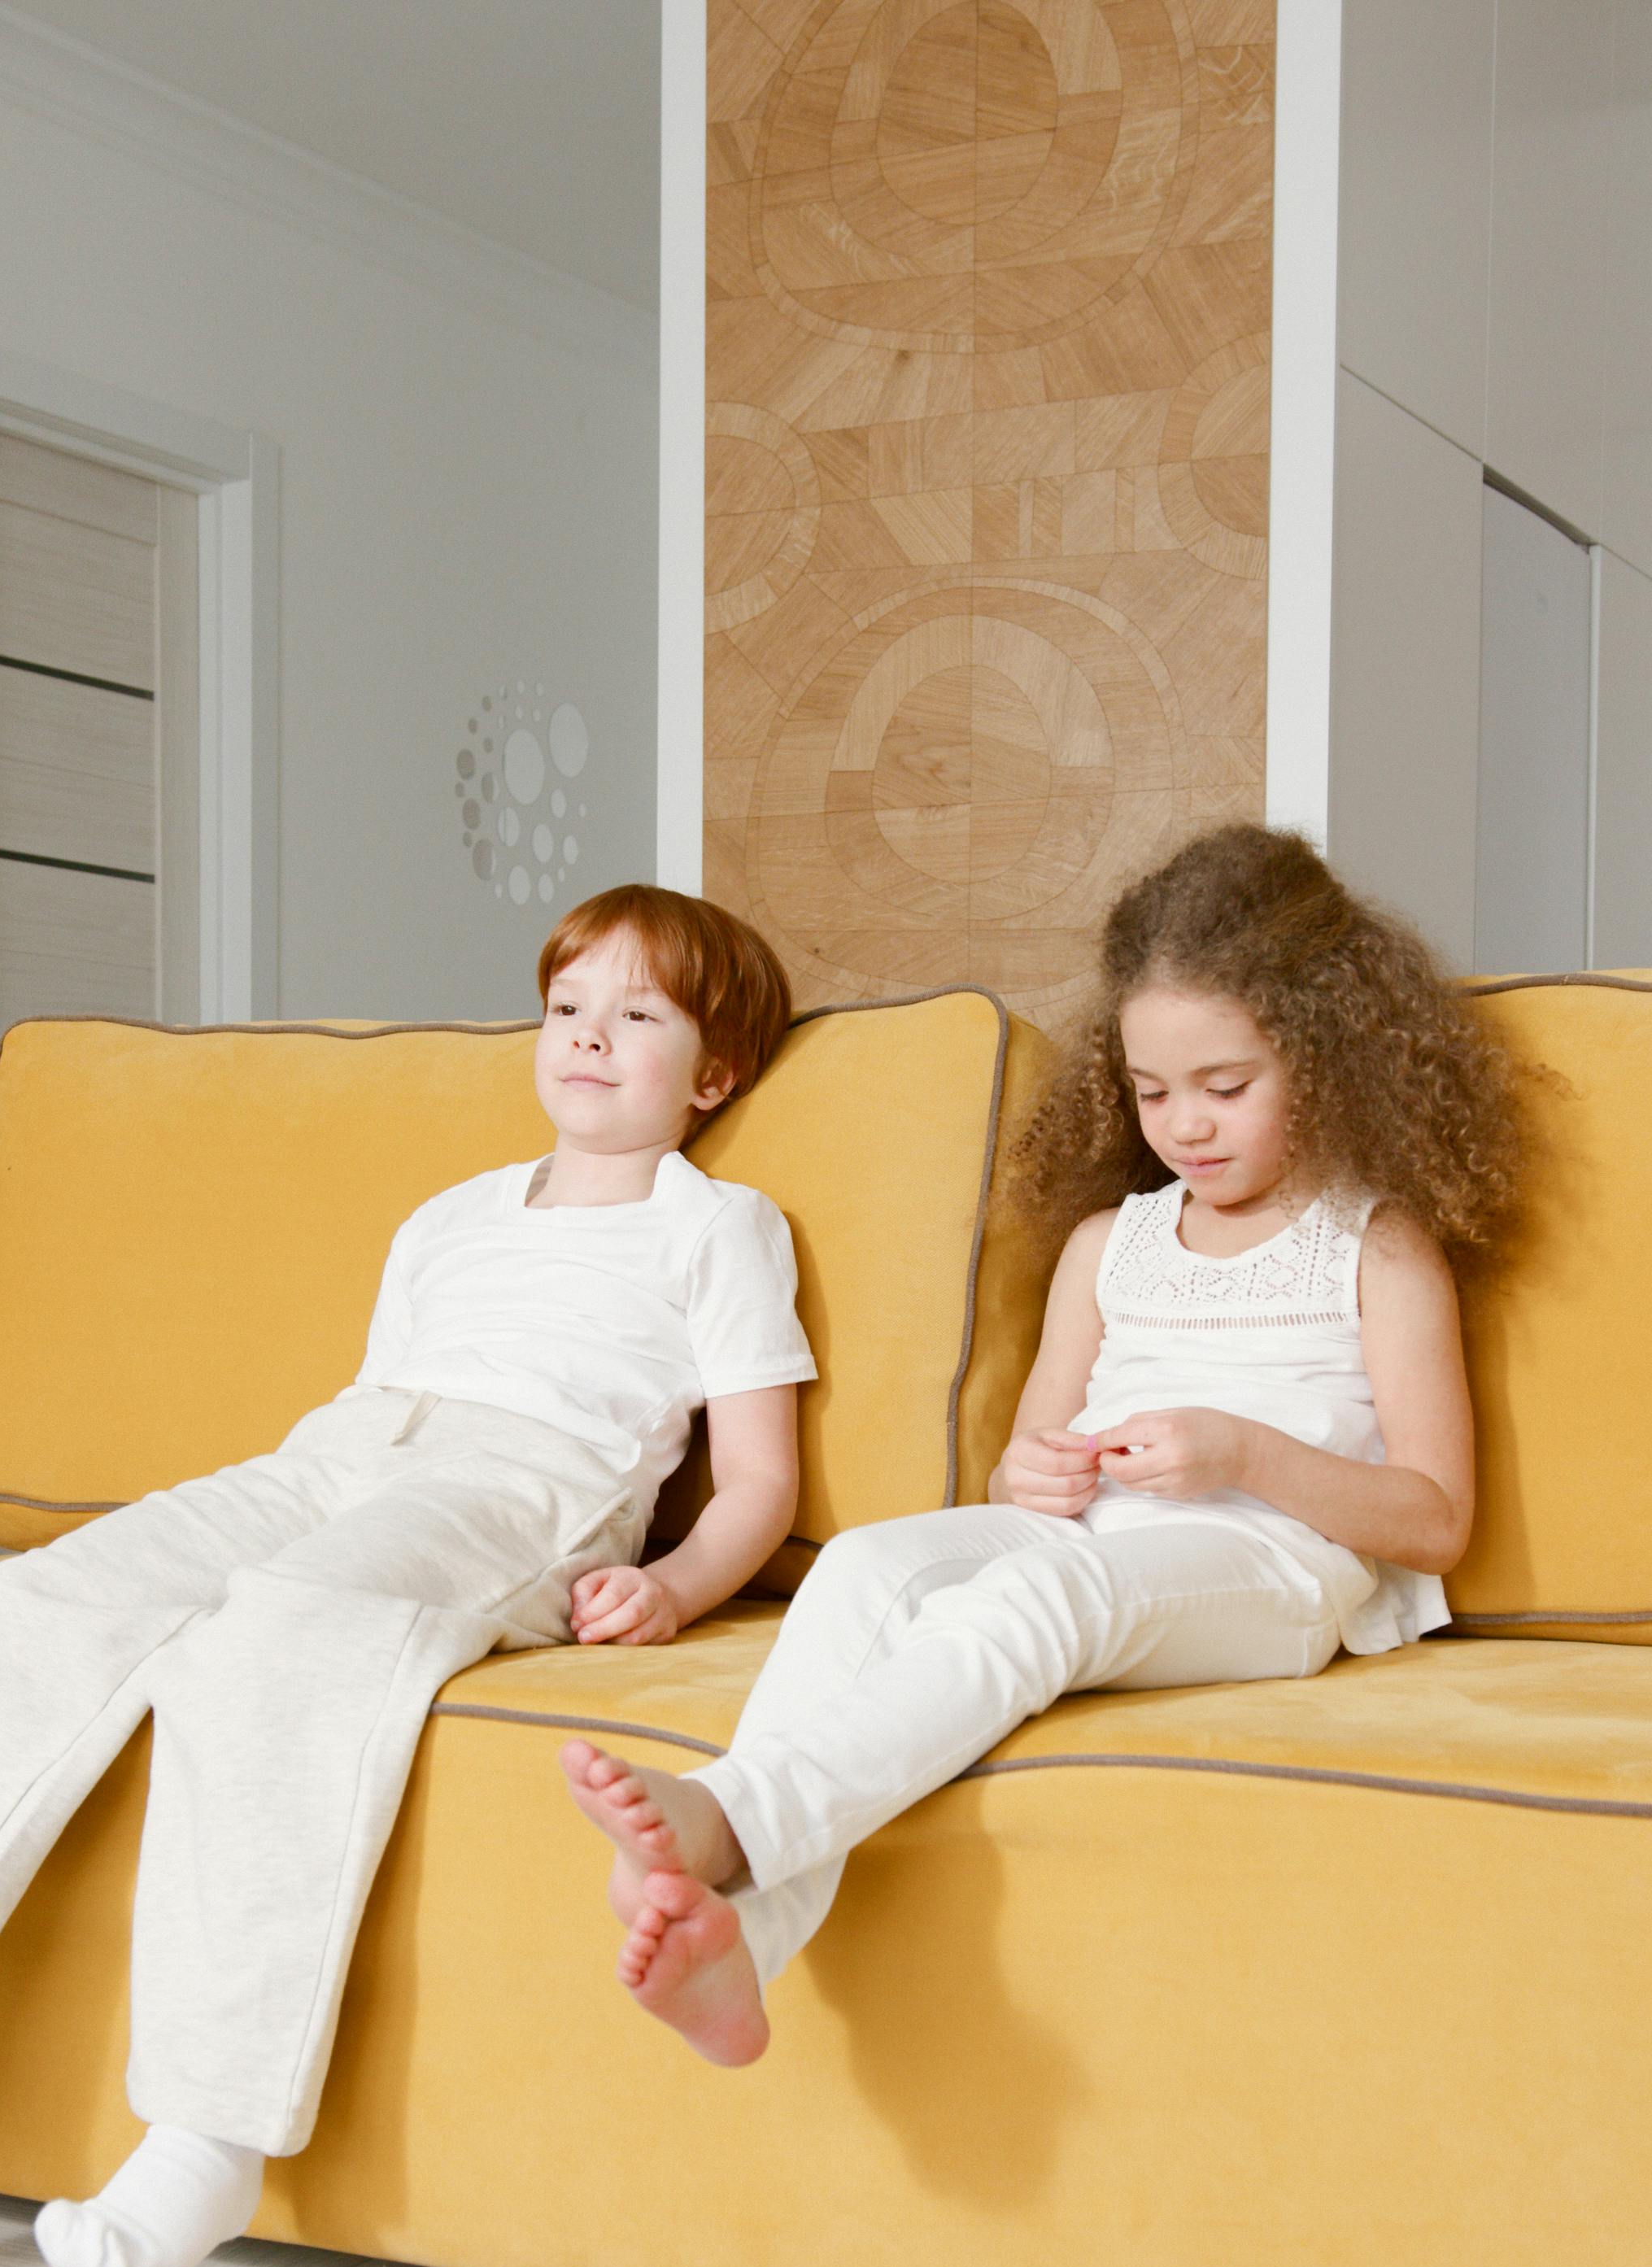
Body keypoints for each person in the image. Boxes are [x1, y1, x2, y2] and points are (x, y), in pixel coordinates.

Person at [0, 886, 814, 2267]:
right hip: (339, 1452)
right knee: (28, 1609)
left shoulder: (721, 1225)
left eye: (639, 1016)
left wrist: (680, 1584)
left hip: (524, 1480)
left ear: (714, 1072)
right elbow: (374, 1402)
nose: (587, 1038)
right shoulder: (447, 1217)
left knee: (284, 1636)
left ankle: (205, 2134)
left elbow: (757, 1477)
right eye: (568, 1007)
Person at [560, 824, 1528, 2070]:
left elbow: (1435, 1518)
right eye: (1151, 1091)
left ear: (1328, 1056)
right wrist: (1036, 1472)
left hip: (1273, 1569)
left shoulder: (1375, 1246)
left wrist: (1240, 1452)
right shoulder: (1106, 1245)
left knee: (1044, 1587)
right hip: (1094, 1544)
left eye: (1226, 1088)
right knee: (865, 1567)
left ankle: (733, 1816)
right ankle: (746, 1947)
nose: (1186, 1125)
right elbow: (1026, 1462)